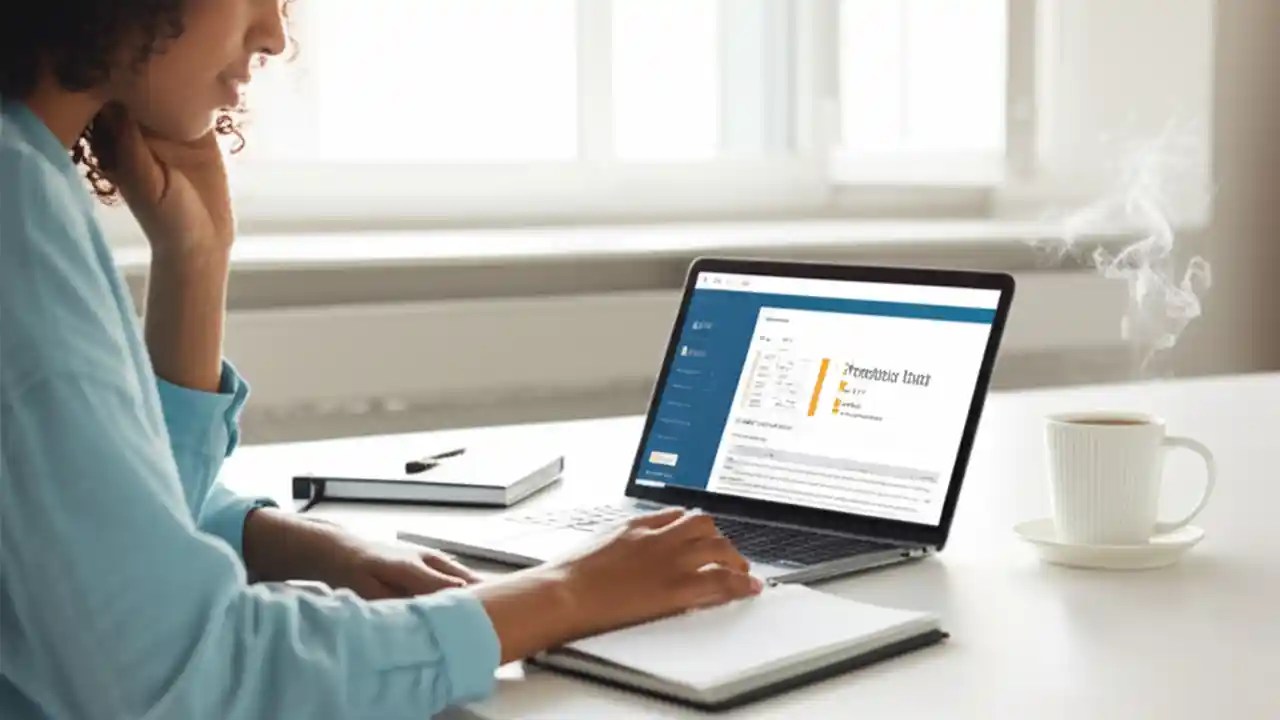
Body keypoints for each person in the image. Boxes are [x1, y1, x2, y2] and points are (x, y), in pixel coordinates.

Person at [0, 2, 762, 718]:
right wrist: (567, 593)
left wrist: (195, 258)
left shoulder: (26, 172)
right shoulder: (18, 218)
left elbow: (93, 522)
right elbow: (178, 675)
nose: (272, 33)